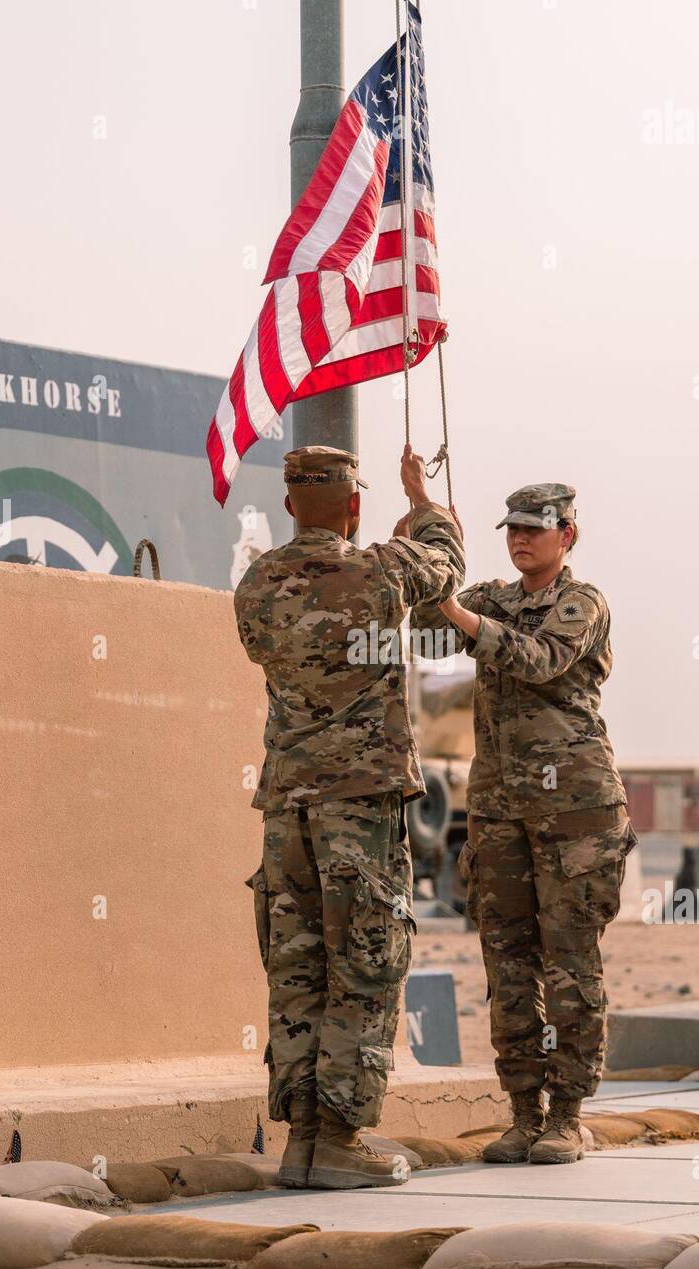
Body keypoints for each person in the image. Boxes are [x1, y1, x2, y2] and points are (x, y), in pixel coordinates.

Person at [234, 443, 464, 1189]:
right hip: (357, 805)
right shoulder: (377, 572)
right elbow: (442, 561)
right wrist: (423, 502)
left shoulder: (257, 584)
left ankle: (303, 1141)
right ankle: (337, 1139)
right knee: (365, 964)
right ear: (354, 506)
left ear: (291, 503)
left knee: (297, 969)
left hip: (286, 808)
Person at [411, 483, 636, 1163]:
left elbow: (540, 661)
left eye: (536, 529)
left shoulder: (581, 602)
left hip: (576, 811)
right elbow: (425, 632)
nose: (520, 539)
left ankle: (567, 1115)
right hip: (500, 809)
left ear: (567, 533)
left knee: (570, 964)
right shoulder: (489, 599)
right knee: (507, 968)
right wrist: (431, 531)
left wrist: (459, 612)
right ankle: (522, 1112)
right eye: (511, 528)